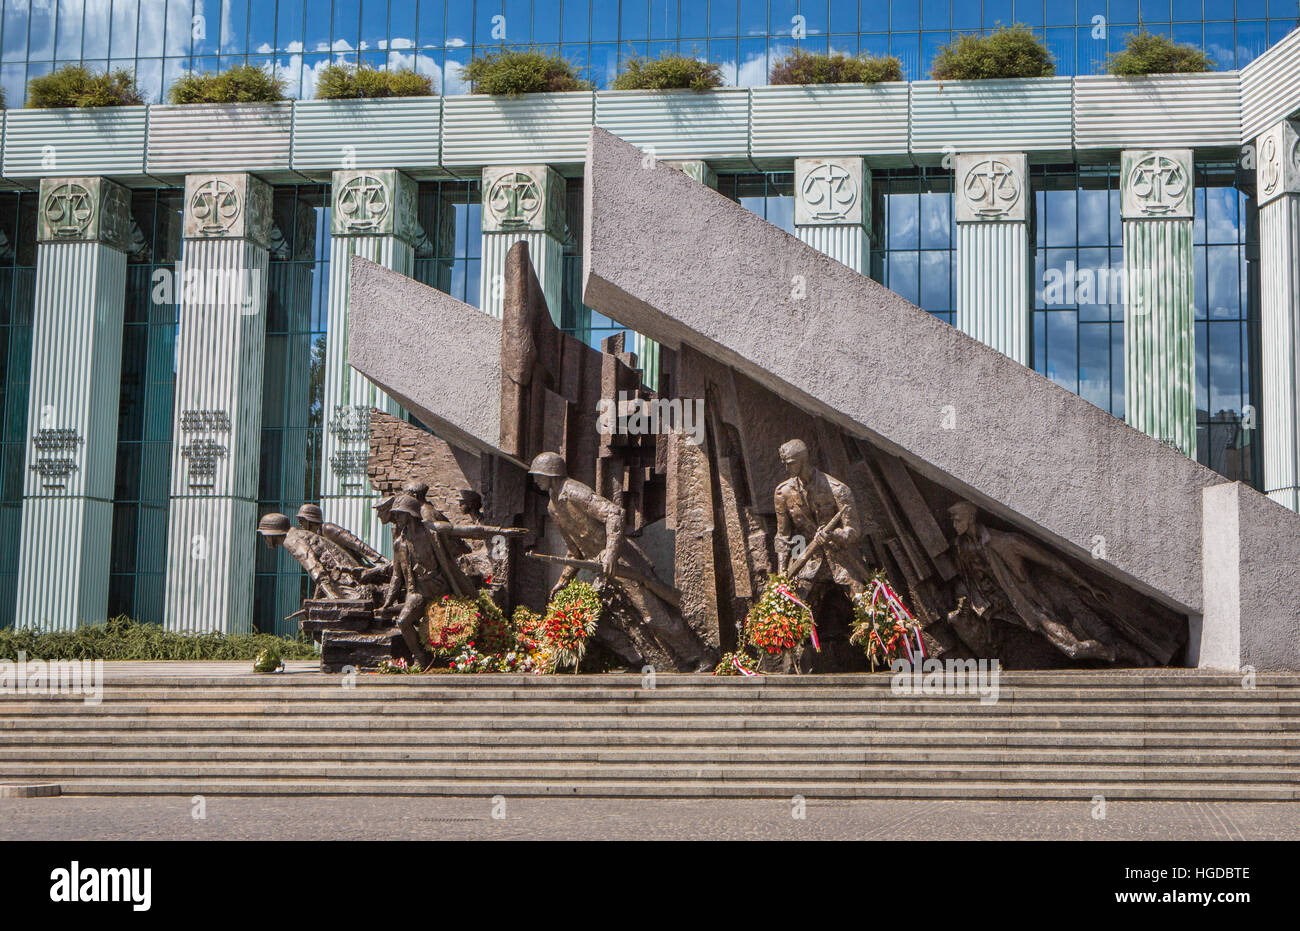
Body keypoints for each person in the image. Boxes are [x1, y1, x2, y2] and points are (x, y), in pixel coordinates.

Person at [528, 451, 716, 672]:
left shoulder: (573, 491)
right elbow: (574, 551)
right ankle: (643, 660)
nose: (536, 479)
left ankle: (701, 656)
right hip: (604, 570)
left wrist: (610, 553)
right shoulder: (553, 508)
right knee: (608, 617)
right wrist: (563, 580)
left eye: (539, 474)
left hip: (624, 563)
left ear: (552, 474)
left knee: (654, 615)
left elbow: (614, 514)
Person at [947, 501, 1116, 662]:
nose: (954, 525)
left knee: (1074, 650)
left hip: (1034, 605)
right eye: (952, 521)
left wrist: (1087, 585)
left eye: (958, 520)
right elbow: (969, 580)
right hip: (1004, 610)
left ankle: (1110, 652)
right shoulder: (962, 548)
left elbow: (1052, 562)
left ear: (970, 517)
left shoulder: (1007, 542)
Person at [351, 494, 447, 668]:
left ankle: (428, 655)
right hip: (416, 592)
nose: (396, 518)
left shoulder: (429, 534)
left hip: (436, 587)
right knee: (403, 621)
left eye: (400, 514)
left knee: (408, 619)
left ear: (410, 515)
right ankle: (420, 656)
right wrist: (388, 602)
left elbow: (447, 559)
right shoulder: (399, 544)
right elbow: (396, 575)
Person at [256, 513, 369, 601]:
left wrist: (333, 596)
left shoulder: (291, 540)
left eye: (265, 535)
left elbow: (313, 567)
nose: (265, 539)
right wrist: (316, 599)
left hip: (350, 584)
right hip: (349, 579)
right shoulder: (299, 535)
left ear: (271, 534)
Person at [295, 503, 385, 567]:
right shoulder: (314, 538)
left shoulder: (327, 529)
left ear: (310, 520)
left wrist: (381, 560)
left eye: (301, 520)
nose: (299, 523)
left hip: (355, 569)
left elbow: (356, 543)